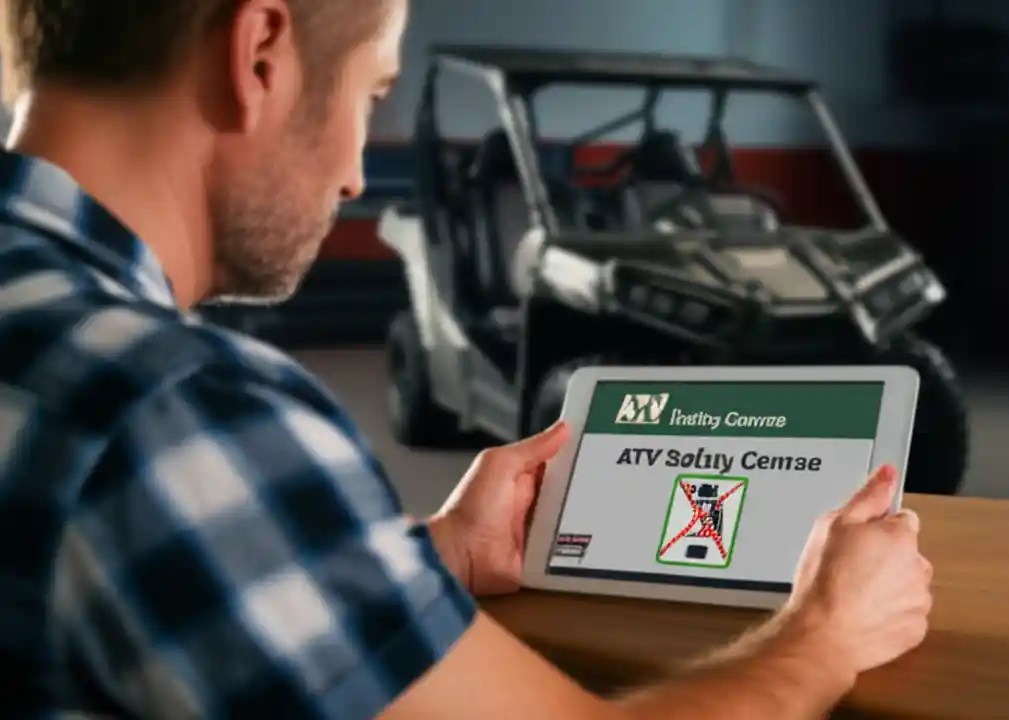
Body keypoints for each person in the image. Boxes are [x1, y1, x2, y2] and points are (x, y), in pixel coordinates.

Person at [0, 1, 934, 717]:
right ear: (259, 56)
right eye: (372, 94)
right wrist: (821, 636)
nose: (358, 174)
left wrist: (433, 556)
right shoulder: (184, 408)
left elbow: (178, 589)